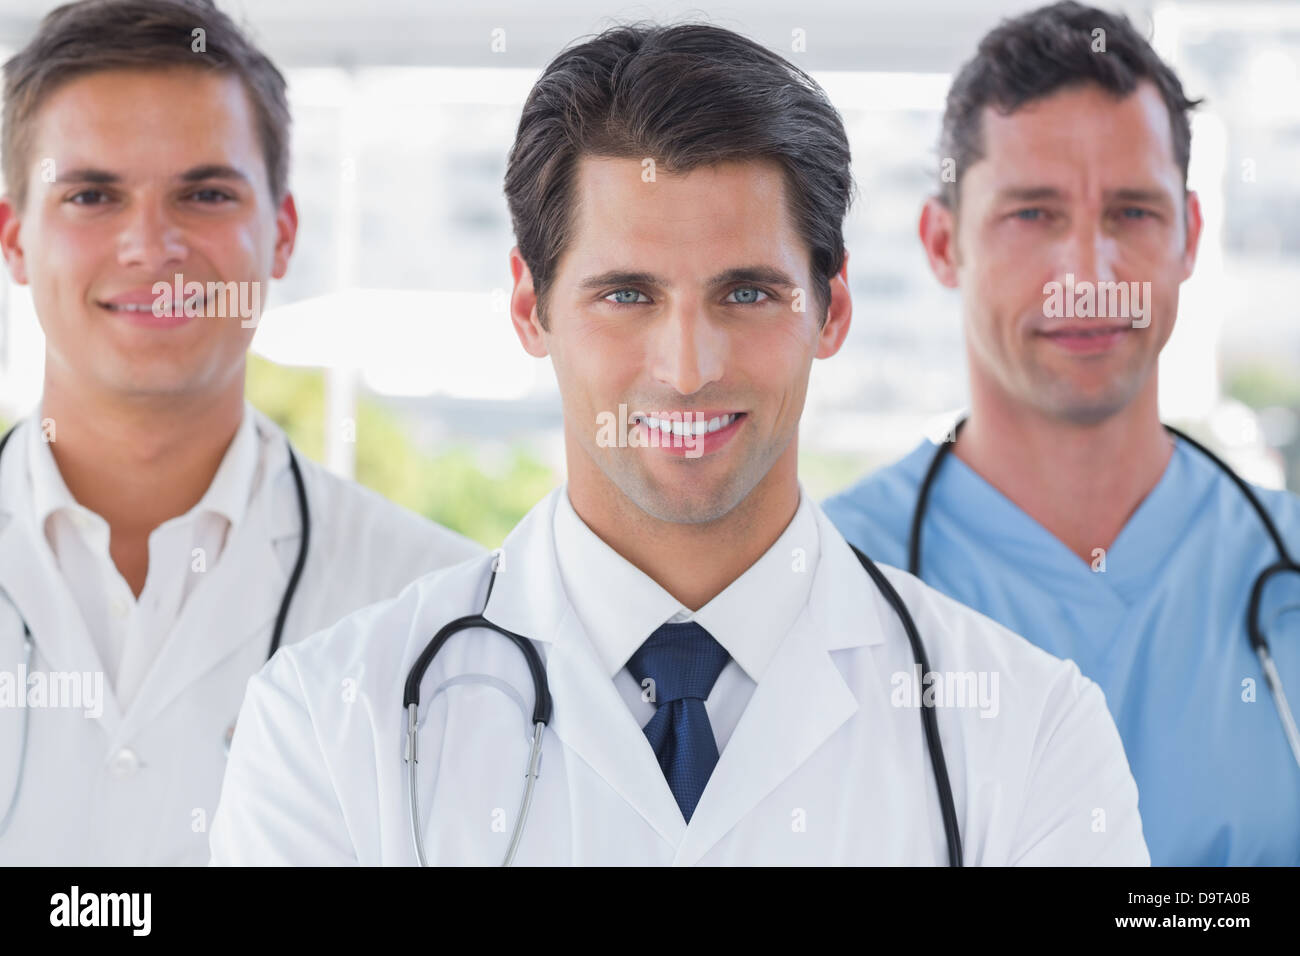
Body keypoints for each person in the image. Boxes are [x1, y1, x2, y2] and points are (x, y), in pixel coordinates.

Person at [209, 21, 1147, 866]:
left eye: (746, 293)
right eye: (627, 294)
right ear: (530, 308)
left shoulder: (1026, 732)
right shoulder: (329, 727)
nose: (689, 367)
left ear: (834, 310)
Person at [0, 0, 481, 865]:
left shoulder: (436, 608)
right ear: (15, 240)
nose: (152, 246)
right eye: (92, 194)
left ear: (283, 233)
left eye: (206, 192)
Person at [824, 1, 1300, 865]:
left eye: (1132, 213)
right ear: (942, 242)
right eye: (1033, 215)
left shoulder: (1287, 567)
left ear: (1191, 235)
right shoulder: (825, 581)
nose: (1089, 275)